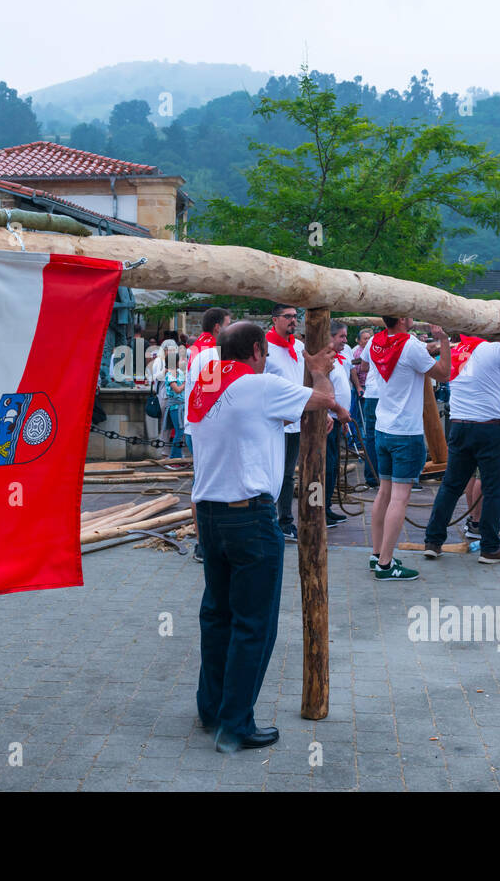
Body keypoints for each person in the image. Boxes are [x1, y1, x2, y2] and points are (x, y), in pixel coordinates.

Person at [188, 321, 345, 753]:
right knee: (254, 624)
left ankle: (212, 707)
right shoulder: (260, 387)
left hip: (210, 514)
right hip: (249, 517)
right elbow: (325, 400)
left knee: (217, 615)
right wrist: (316, 369)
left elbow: (277, 409)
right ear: (258, 350)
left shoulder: (204, 384)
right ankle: (235, 724)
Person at [421, 331, 500, 563]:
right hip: (489, 429)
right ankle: (490, 547)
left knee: (451, 486)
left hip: (460, 425)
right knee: (493, 490)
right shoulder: (496, 350)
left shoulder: (457, 350)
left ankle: (433, 540)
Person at [365, 315, 451, 580]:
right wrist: (444, 340)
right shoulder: (410, 345)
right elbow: (444, 373)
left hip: (384, 426)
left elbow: (404, 358)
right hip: (406, 431)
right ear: (402, 318)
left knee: (384, 493)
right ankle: (386, 565)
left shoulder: (374, 342)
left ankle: (377, 553)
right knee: (400, 498)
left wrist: (428, 348)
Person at [184, 307, 231, 561]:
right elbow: (212, 395)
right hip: (205, 428)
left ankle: (206, 541)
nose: (230, 328)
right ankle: (204, 542)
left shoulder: (197, 349)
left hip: (196, 426)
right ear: (217, 328)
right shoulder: (212, 352)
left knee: (202, 483)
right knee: (204, 485)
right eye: (228, 324)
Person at [264, 305, 306, 541]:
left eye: (294, 316)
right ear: (275, 319)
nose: (293, 321)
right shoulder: (265, 348)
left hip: (297, 421)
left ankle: (286, 521)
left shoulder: (298, 347)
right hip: (275, 421)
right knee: (272, 472)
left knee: (289, 474)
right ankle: (269, 519)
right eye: (288, 317)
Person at [325, 320, 354, 526]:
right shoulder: (324, 360)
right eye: (341, 336)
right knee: (325, 467)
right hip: (326, 421)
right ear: (330, 337)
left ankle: (326, 507)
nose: (345, 340)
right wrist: (337, 410)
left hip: (337, 420)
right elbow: (321, 391)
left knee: (333, 466)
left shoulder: (338, 359)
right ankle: (320, 510)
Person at [355, 327, 382, 488]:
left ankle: (372, 477)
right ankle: (386, 476)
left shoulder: (373, 341)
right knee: (382, 435)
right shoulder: (404, 341)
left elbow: (364, 367)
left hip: (372, 391)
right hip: (382, 393)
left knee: (371, 436)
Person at [161, 343, 189, 459]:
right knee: (179, 431)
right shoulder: (169, 375)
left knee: (181, 432)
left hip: (182, 406)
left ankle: (176, 455)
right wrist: (185, 383)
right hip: (175, 407)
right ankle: (175, 457)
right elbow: (177, 390)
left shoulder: (180, 372)